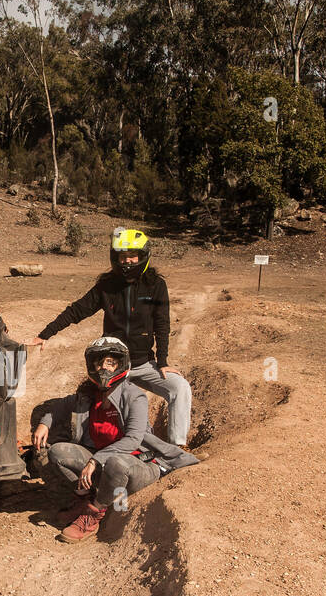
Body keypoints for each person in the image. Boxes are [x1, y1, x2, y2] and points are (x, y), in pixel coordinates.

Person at [24, 227, 193, 448]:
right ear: (115, 258)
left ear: (143, 257)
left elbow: (162, 324)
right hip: (112, 365)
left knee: (180, 387)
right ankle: (88, 445)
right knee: (100, 403)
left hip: (143, 363)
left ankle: (177, 446)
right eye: (123, 257)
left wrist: (163, 362)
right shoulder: (107, 286)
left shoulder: (156, 285)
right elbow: (77, 310)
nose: (128, 262)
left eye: (133, 256)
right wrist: (44, 334)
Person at [32, 336, 198, 543]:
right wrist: (44, 423)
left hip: (137, 463)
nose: (104, 368)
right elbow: (60, 406)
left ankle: (94, 513)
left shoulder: (133, 396)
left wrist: (95, 460)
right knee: (58, 451)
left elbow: (134, 439)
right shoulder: (87, 395)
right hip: (103, 464)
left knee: (115, 462)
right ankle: (85, 500)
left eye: (110, 363)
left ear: (121, 365)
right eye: (99, 362)